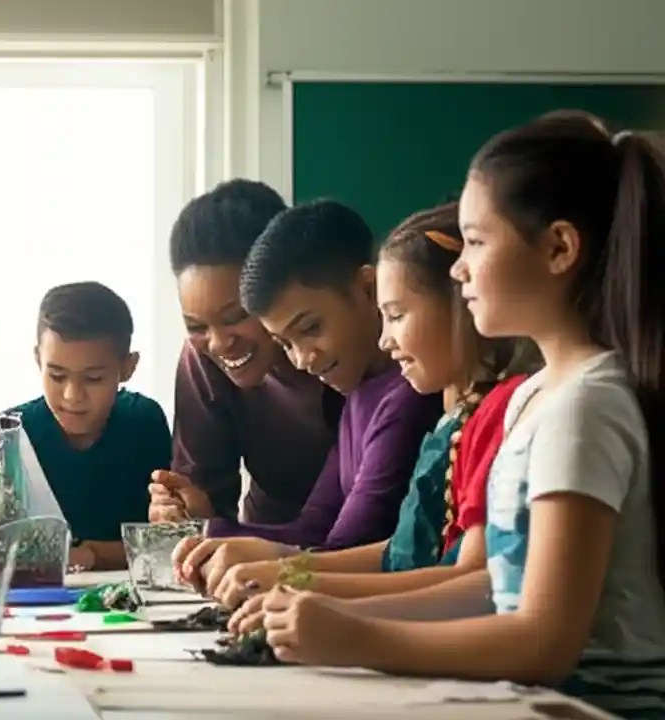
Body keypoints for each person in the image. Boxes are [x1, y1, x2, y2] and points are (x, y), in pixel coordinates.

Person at [246, 111, 665, 719]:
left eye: (475, 241)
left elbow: (543, 641)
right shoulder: (533, 398)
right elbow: (495, 590)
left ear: (558, 248)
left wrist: (355, 636)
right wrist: (332, 612)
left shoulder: (586, 407)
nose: (458, 269)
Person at [176, 202, 535, 611]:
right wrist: (217, 535)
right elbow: (350, 537)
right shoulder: (362, 399)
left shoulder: (421, 401)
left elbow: (463, 580)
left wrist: (300, 586)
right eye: (285, 344)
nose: (299, 360)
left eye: (396, 315)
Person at [180, 199, 444, 576]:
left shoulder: (406, 397)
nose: (302, 359)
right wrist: (204, 530)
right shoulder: (355, 394)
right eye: (285, 343)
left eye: (310, 329)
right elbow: (314, 527)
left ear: (368, 290)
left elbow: (347, 549)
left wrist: (258, 558)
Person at [152, 179, 342, 527]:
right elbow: (206, 506)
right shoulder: (201, 359)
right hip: (262, 544)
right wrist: (182, 513)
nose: (219, 343)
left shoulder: (349, 352)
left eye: (237, 316)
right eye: (196, 326)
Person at [9, 282, 171, 571]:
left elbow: (165, 545)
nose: (73, 396)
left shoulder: (143, 422)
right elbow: (1, 548)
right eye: (57, 376)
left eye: (94, 378)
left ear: (128, 367)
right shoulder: (16, 432)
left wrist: (88, 554)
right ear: (38, 360)